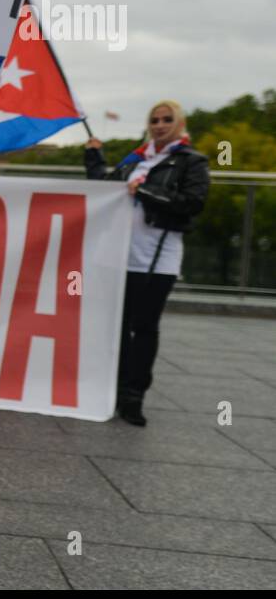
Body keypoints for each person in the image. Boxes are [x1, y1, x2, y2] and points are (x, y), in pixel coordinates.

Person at [85, 100, 210, 426]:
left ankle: (134, 395)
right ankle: (114, 390)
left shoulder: (191, 161)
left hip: (158, 257)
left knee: (144, 327)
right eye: (154, 119)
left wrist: (146, 194)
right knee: (117, 326)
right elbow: (107, 188)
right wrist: (94, 156)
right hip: (118, 254)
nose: (159, 124)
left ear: (179, 124)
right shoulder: (136, 159)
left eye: (167, 119)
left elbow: (193, 204)